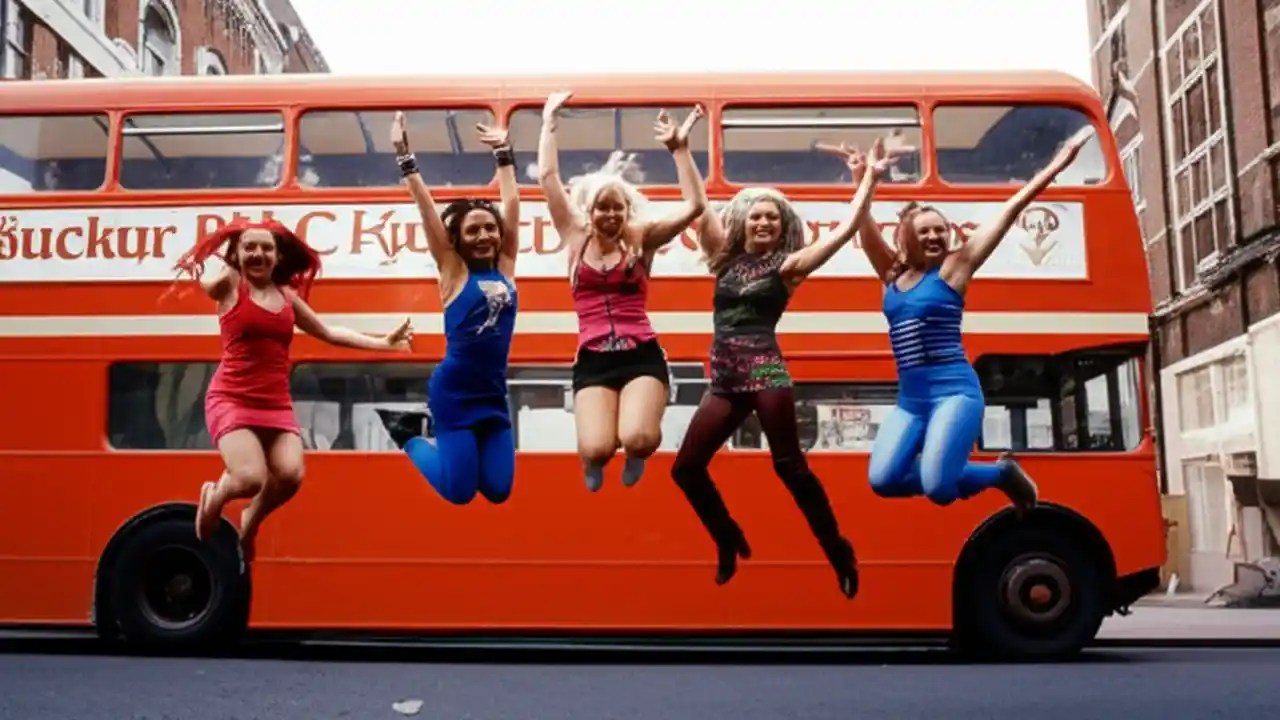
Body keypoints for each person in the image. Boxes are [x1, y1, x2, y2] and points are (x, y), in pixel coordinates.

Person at [668, 141, 888, 599]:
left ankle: (837, 550)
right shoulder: (724, 258)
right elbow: (698, 206)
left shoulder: (788, 267)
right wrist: (680, 149)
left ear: (782, 224)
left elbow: (846, 229)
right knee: (686, 469)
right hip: (725, 381)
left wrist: (868, 178)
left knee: (790, 467)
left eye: (773, 217)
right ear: (743, 221)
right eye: (757, 216)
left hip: (766, 373)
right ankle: (727, 536)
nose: (765, 222)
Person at [827, 135, 1085, 513]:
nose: (935, 236)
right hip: (911, 400)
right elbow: (862, 227)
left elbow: (1010, 210)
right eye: (925, 231)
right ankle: (975, 471)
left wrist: (1055, 166)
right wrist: (861, 179)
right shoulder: (892, 273)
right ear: (907, 238)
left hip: (955, 393)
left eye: (941, 230)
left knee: (940, 488)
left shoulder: (955, 268)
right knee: (883, 480)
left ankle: (1001, 474)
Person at [177, 220, 414, 549]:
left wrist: (384, 342)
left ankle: (251, 519)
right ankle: (215, 495)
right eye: (249, 247)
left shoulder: (287, 297)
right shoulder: (230, 286)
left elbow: (328, 333)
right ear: (237, 255)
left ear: (277, 256)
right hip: (232, 398)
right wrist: (222, 266)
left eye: (266, 248)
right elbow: (206, 282)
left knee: (290, 476)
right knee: (249, 478)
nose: (258, 253)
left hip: (274, 403)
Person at [536, 91, 707, 491]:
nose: (611, 214)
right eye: (603, 208)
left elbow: (695, 206)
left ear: (627, 210)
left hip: (640, 352)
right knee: (597, 447)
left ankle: (635, 453)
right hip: (593, 357)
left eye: (618, 207)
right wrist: (548, 124)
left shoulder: (641, 238)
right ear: (589, 211)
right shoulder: (574, 237)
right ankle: (592, 457)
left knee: (639, 437)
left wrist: (680, 150)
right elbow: (548, 178)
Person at [374, 111, 522, 506]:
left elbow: (512, 205)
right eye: (472, 230)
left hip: (493, 394)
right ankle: (409, 435)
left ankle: (442, 444)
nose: (484, 235)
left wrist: (504, 155)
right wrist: (406, 159)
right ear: (456, 240)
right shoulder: (453, 272)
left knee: (498, 490)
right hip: (455, 393)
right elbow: (427, 213)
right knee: (460, 493)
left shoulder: (506, 267)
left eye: (489, 227)